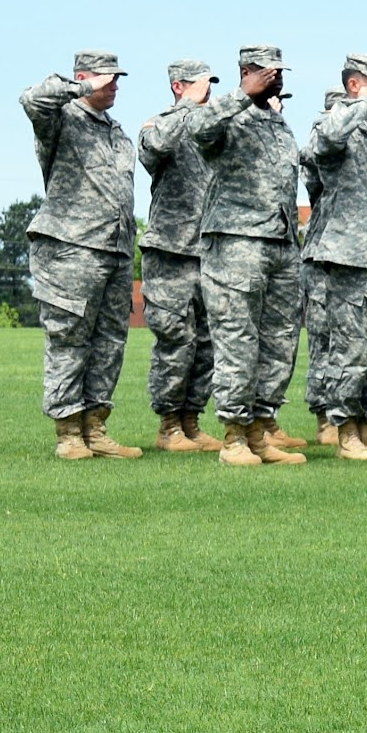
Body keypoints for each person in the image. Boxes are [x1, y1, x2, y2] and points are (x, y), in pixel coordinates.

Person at [185, 45, 309, 464]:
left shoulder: (279, 126)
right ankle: (234, 436)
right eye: (267, 72)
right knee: (238, 340)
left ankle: (259, 429)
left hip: (280, 245)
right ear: (246, 72)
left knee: (279, 342)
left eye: (279, 72)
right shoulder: (227, 115)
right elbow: (197, 128)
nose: (276, 78)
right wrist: (241, 93)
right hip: (237, 244)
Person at [24, 50, 142, 460]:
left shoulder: (117, 131)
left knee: (109, 343)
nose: (114, 85)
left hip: (114, 250)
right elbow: (32, 99)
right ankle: (68, 432)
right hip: (71, 249)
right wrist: (81, 88)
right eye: (106, 77)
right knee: (69, 340)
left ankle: (95, 427)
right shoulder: (61, 119)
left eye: (117, 78)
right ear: (82, 77)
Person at [299, 53, 367, 459]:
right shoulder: (332, 125)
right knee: (351, 349)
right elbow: (323, 144)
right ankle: (345, 431)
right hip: (349, 256)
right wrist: (361, 105)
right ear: (354, 84)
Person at [136, 58, 220, 452]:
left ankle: (191, 421)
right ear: (179, 86)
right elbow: (155, 150)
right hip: (171, 251)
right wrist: (187, 106)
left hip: (209, 251)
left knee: (206, 343)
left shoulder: (209, 129)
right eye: (203, 85)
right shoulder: (159, 124)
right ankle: (168, 424)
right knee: (175, 339)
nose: (209, 92)